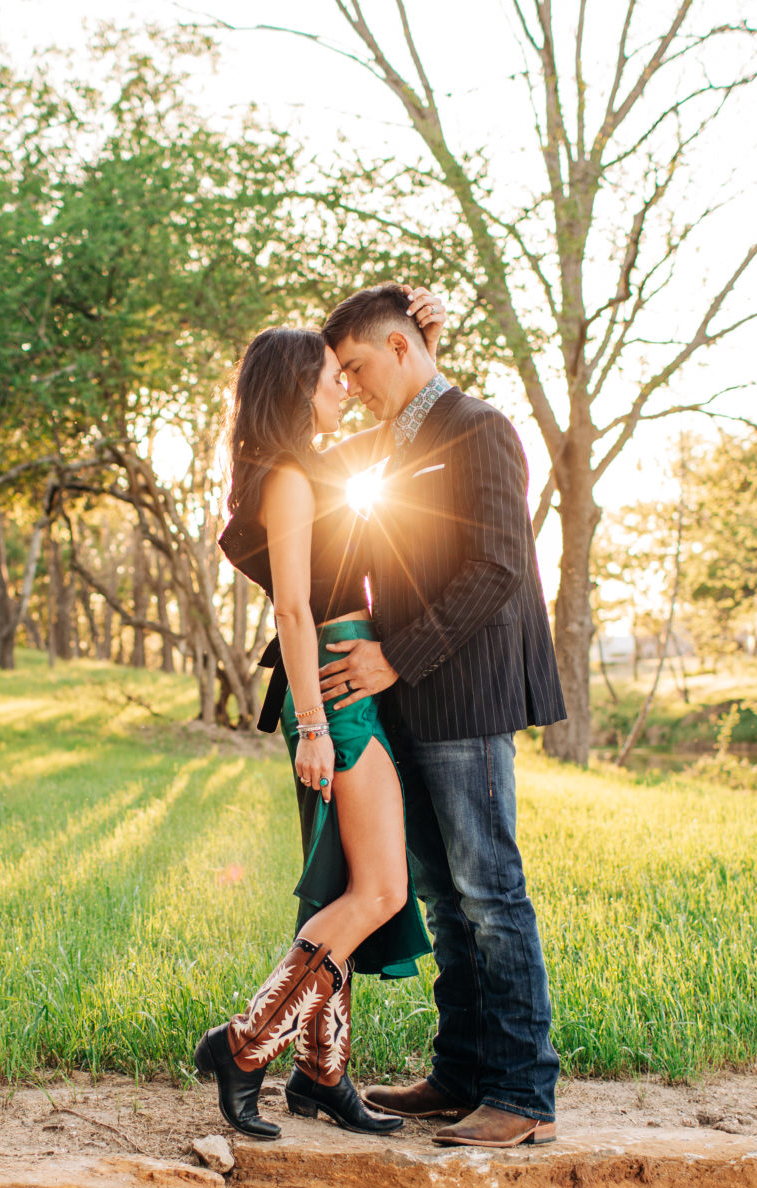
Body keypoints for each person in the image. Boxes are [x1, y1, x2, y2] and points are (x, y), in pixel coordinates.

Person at [316, 285, 569, 1149]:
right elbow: (313, 455)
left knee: (491, 891)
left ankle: (522, 1091)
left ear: (398, 348)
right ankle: (461, 1070)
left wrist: (394, 655)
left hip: (465, 691)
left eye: (355, 366)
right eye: (337, 373)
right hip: (412, 698)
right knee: (445, 896)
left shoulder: (481, 427)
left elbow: (498, 565)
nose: (349, 385)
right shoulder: (390, 440)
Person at [193, 290, 447, 1141]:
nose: (343, 384)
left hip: (342, 690)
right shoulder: (293, 479)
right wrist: (312, 726)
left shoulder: (302, 467)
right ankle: (245, 1043)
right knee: (380, 888)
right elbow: (294, 610)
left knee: (350, 886)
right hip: (336, 696)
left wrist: (426, 342)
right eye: (330, 375)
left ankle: (320, 1074)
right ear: (296, 385)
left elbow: (400, 426)